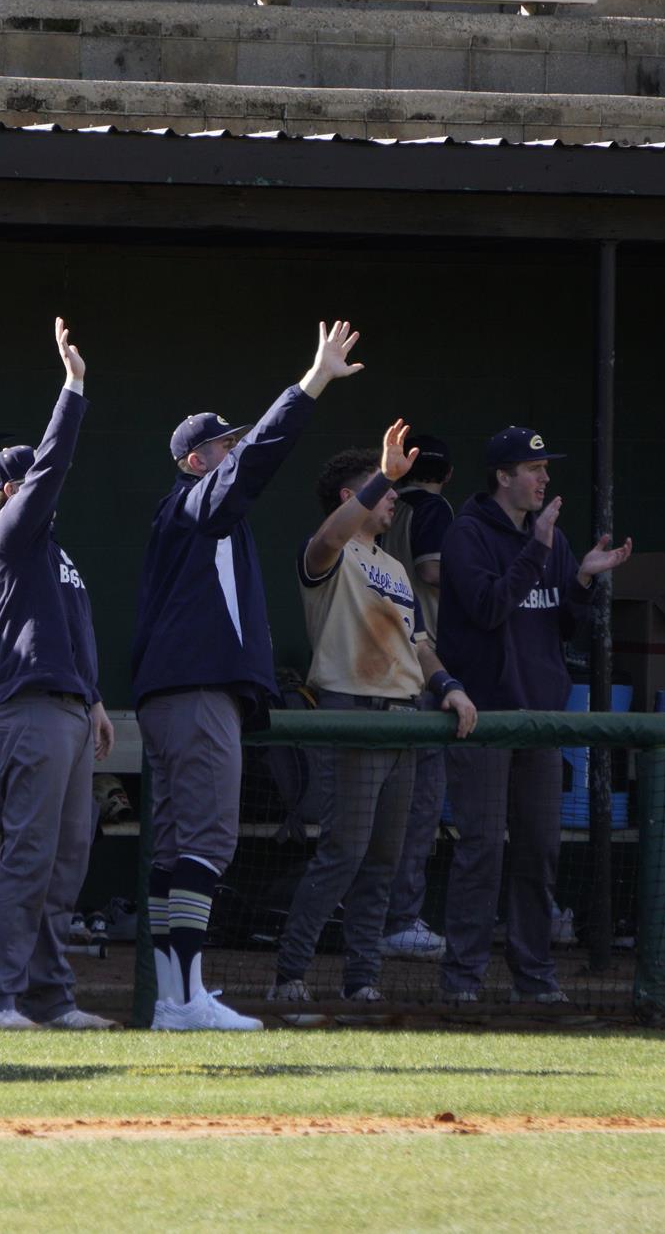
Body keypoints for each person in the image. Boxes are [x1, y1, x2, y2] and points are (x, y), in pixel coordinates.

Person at [130, 319, 365, 1032]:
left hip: (179, 696)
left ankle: (176, 1000)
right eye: (223, 447)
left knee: (174, 850)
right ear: (199, 462)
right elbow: (259, 455)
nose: (235, 453)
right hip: (196, 693)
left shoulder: (206, 523)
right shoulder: (196, 505)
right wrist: (314, 379)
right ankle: (189, 997)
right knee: (203, 842)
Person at [267, 428, 476, 1020]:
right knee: (343, 852)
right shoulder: (327, 551)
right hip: (349, 711)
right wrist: (384, 474)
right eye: (380, 491)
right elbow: (332, 534)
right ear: (346, 495)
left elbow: (421, 646)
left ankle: (362, 980)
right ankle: (290, 975)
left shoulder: (396, 567)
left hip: (403, 717)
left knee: (384, 858)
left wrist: (451, 688)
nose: (392, 500)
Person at [434, 427, 628, 1013]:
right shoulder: (466, 534)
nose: (544, 478)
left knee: (539, 849)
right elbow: (491, 609)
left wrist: (584, 578)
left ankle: (534, 975)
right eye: (533, 468)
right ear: (503, 476)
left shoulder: (549, 535)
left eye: (546, 467)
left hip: (540, 717)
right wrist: (539, 550)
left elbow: (561, 624)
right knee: (482, 848)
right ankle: (462, 979)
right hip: (486, 716)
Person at [0, 317, 118, 1032]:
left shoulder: (52, 550)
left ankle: (50, 997)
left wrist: (93, 698)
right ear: (7, 488)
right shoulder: (0, 536)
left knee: (66, 861)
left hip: (69, 709)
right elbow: (51, 467)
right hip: (27, 709)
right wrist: (72, 386)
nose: (40, 486)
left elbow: (76, 627)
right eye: (26, 479)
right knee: (29, 856)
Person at [379, 434, 455, 962]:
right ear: (446, 473)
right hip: (423, 666)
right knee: (417, 804)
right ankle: (398, 918)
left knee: (396, 805)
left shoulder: (386, 506)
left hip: (390, 665)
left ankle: (385, 917)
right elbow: (432, 569)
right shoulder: (431, 507)